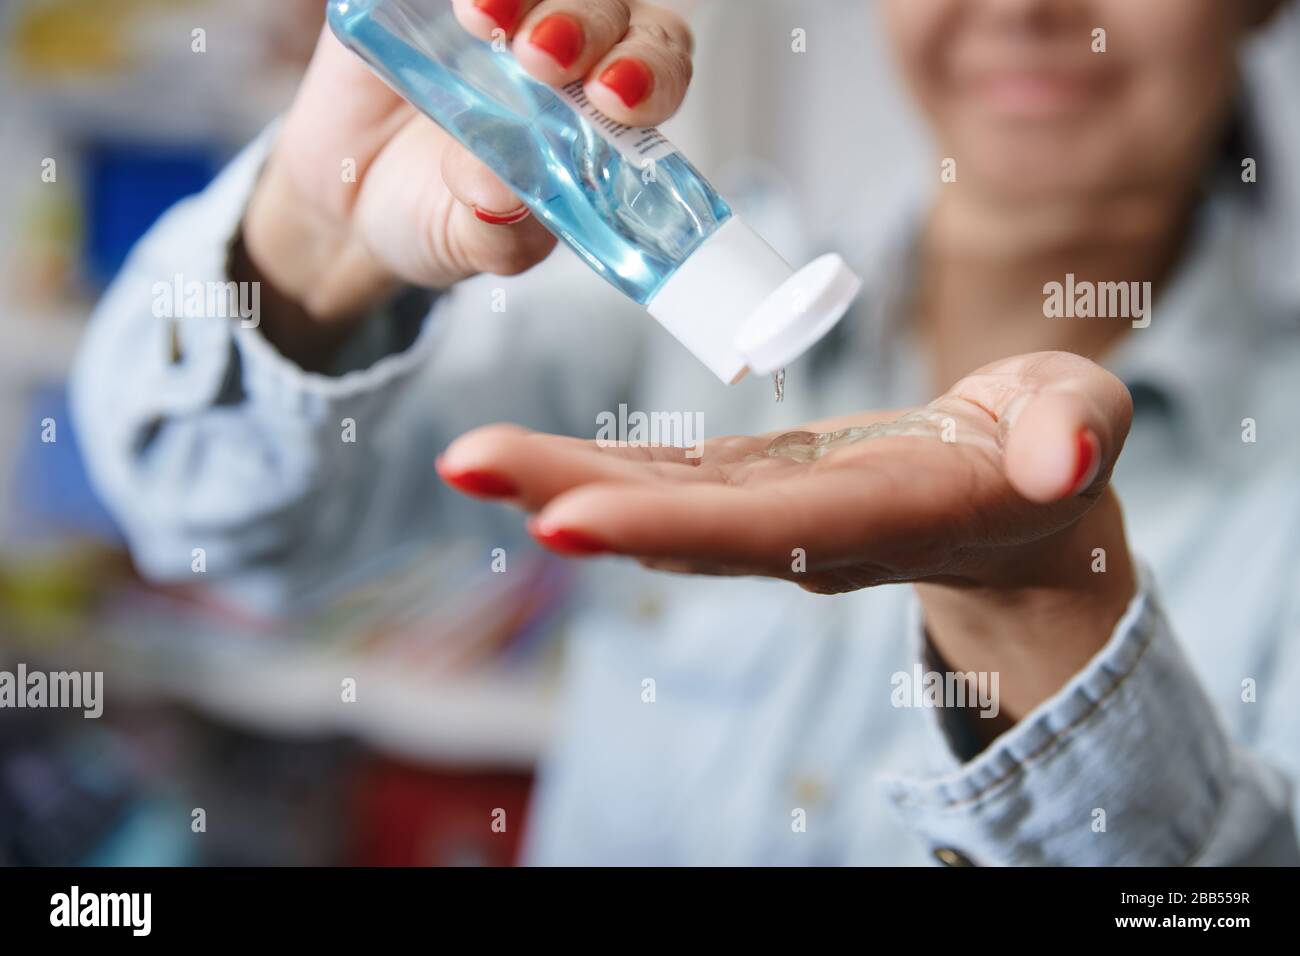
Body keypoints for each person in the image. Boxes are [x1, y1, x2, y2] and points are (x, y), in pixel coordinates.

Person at [72, 0, 1300, 864]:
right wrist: (314, 239)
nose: (1028, 7)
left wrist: (1040, 621)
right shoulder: (633, 324)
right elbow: (210, 529)